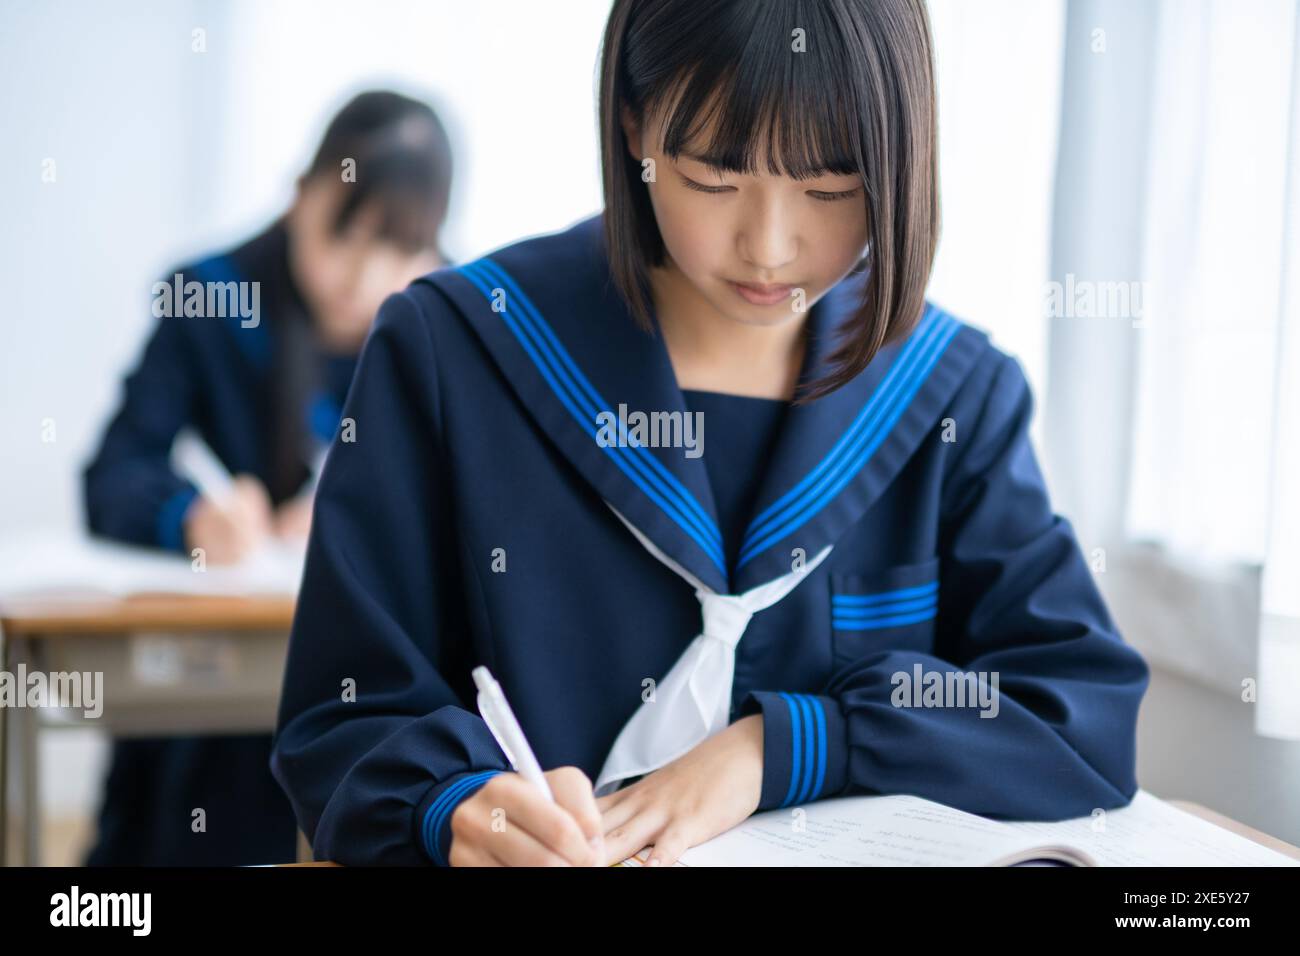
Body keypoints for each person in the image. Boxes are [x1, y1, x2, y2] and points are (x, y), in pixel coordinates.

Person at [271, 0, 1150, 867]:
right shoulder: (454, 351)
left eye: (831, 186)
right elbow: (342, 717)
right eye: (713, 179)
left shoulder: (955, 395)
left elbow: (1077, 713)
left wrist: (788, 746)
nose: (767, 247)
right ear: (633, 125)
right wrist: (454, 806)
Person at [82, 90, 453, 865]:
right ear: (298, 196)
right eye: (343, 236)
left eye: (398, 250)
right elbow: (116, 469)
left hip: (383, 674)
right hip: (220, 667)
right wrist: (190, 518)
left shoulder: (450, 319)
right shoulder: (212, 295)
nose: (362, 277)